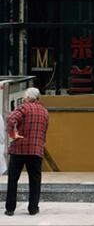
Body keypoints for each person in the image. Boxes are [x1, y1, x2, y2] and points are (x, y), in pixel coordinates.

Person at [5, 88, 48, 217]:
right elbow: (44, 132)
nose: (23, 98)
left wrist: (13, 134)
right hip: (36, 150)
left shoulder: (23, 108)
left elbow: (10, 119)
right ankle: (33, 208)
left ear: (29, 97)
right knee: (35, 180)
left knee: (13, 179)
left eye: (24, 96)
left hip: (19, 149)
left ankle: (10, 209)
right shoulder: (45, 112)